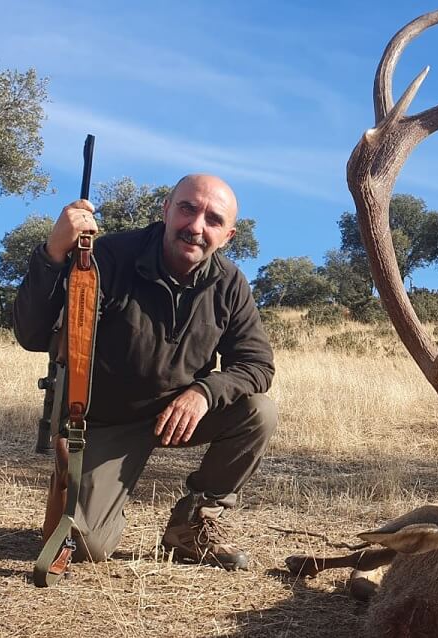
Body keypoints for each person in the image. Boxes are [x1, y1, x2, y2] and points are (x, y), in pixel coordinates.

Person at [14, 174, 276, 571]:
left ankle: (191, 526)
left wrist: (204, 393)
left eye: (213, 220)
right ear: (166, 210)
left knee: (259, 411)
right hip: (101, 422)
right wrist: (54, 252)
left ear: (229, 236)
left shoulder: (231, 283)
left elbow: (257, 364)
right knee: (88, 549)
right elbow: (32, 334)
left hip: (176, 418)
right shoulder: (108, 256)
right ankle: (81, 493)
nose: (196, 226)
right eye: (187, 208)